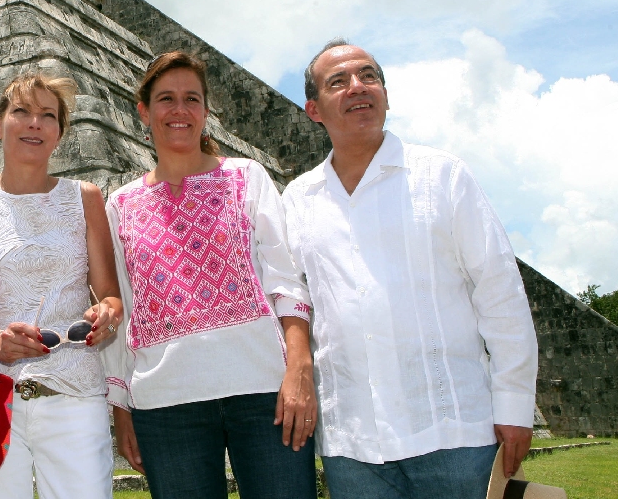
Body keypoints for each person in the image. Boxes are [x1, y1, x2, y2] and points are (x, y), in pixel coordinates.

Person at [282, 39, 539, 499]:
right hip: (352, 444)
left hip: (452, 432)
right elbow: (289, 299)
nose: (358, 87)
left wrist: (515, 404)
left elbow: (499, 291)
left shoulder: (441, 176)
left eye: (369, 76)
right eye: (338, 82)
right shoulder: (298, 200)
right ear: (313, 110)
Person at [103, 50, 318, 499]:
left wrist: (298, 368)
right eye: (166, 99)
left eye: (192, 99)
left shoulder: (247, 176)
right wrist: (121, 407)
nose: (180, 110)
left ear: (205, 111)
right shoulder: (120, 205)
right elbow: (122, 309)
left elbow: (285, 277)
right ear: (143, 111)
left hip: (264, 392)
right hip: (166, 402)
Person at [0, 71, 123, 499]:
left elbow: (107, 292)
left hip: (75, 393)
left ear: (60, 132)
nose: (34, 123)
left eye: (48, 115)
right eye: (21, 111)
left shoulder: (86, 197)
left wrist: (108, 313)